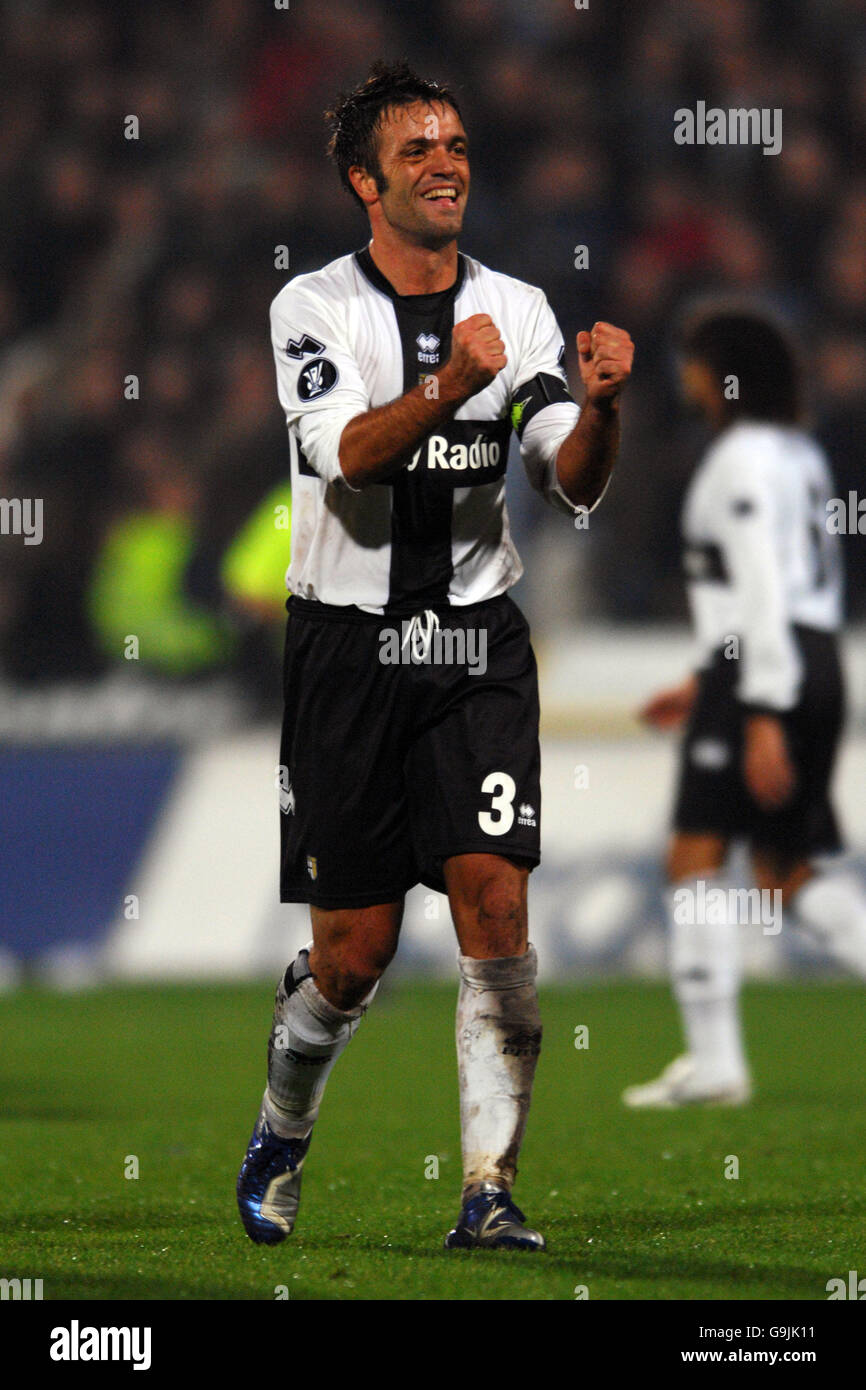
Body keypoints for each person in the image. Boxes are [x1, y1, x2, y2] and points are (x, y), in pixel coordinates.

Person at [235, 60, 633, 1249]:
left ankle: (488, 1190)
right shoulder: (310, 307)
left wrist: (602, 410)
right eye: (415, 149)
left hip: (474, 642)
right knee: (351, 955)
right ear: (364, 179)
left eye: (453, 142)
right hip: (346, 650)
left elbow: (573, 485)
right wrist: (444, 386)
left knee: (494, 902)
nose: (444, 161)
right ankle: (281, 1126)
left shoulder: (517, 308)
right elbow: (346, 456)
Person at [624, 302, 866, 1109]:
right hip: (806, 657)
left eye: (695, 362)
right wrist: (705, 682)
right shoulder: (795, 454)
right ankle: (716, 1063)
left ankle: (718, 1065)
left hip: (774, 670)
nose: (685, 377)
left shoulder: (741, 459)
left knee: (695, 854)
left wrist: (760, 708)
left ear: (724, 375)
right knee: (782, 872)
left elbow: (762, 578)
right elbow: (763, 586)